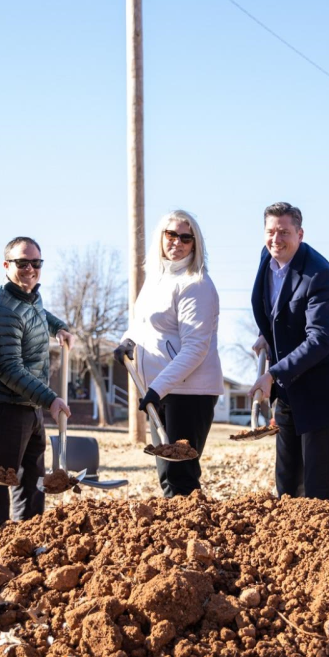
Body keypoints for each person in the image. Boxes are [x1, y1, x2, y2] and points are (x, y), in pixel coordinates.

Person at [249, 202, 329, 500]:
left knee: (317, 490)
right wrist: (266, 334)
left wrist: (272, 374)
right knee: (287, 485)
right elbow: (277, 310)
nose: (276, 239)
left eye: (284, 232)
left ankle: (324, 543)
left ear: (300, 233)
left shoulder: (319, 275)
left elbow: (320, 340)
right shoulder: (267, 257)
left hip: (323, 391)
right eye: (271, 232)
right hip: (289, 390)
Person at [114, 210, 223, 497]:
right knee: (167, 474)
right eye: (171, 235)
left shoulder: (195, 284)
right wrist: (128, 340)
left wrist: (157, 389)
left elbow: (195, 348)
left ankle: (193, 537)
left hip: (189, 394)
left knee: (180, 475)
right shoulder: (157, 277)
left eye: (186, 238)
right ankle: (177, 535)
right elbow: (142, 322)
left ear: (195, 244)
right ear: (161, 236)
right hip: (162, 391)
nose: (177, 242)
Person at [0, 237, 72, 524]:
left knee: (32, 481)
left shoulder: (28, 296)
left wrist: (59, 327)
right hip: (3, 408)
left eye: (36, 263)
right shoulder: (1, 310)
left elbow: (37, 313)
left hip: (28, 405)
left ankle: (28, 542)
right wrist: (50, 399)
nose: (30, 268)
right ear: (6, 265)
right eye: (22, 263)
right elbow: (8, 368)